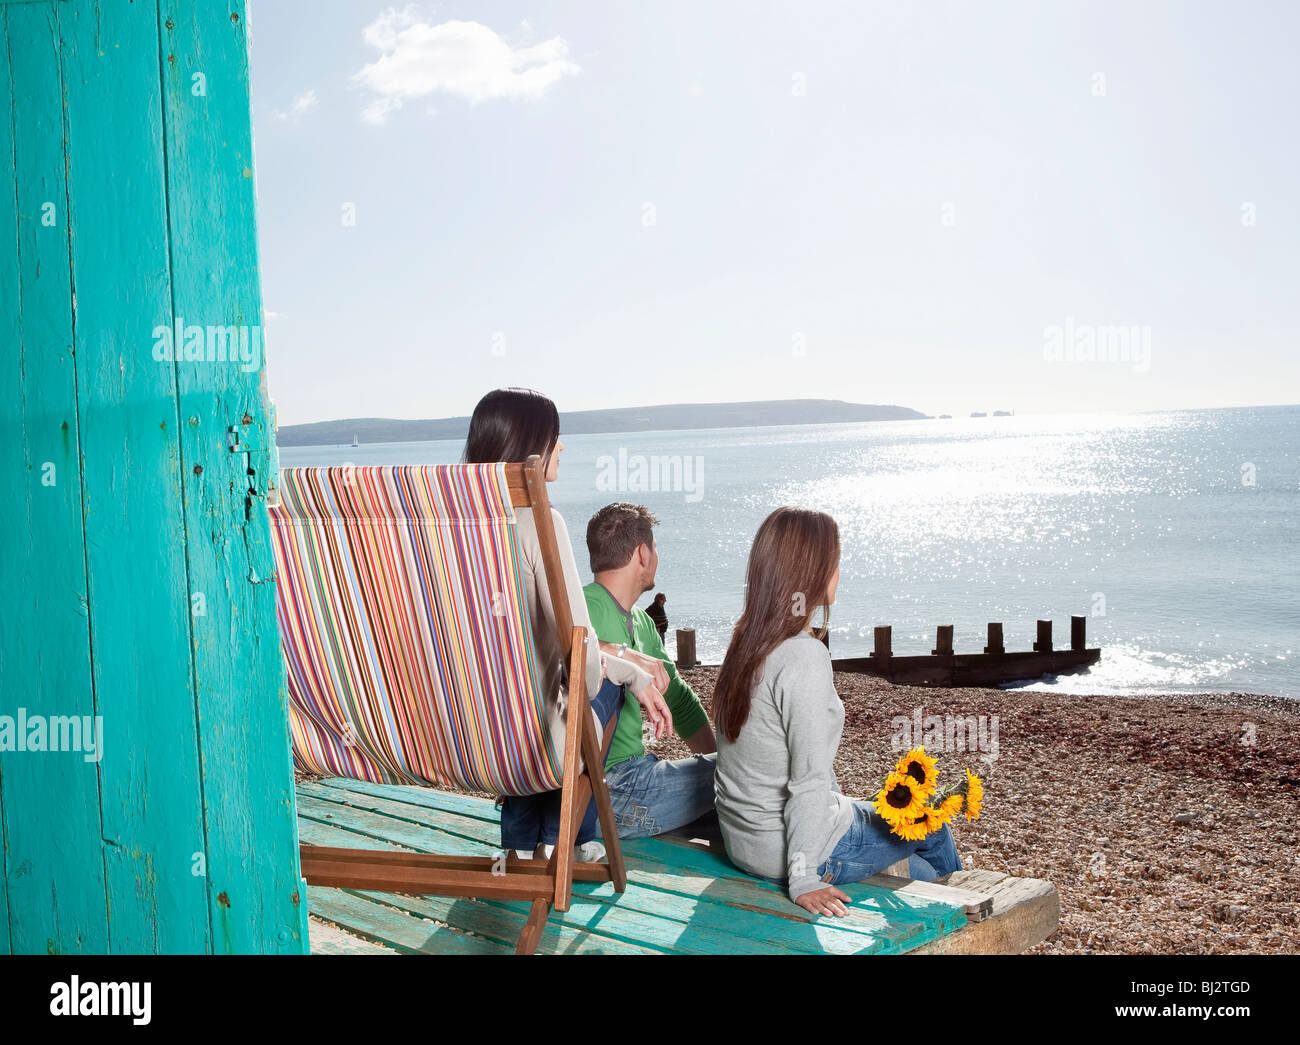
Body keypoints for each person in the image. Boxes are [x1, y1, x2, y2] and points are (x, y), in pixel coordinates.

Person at [712, 507, 962, 917]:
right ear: (812, 573)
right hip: (791, 852)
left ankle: (930, 916)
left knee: (915, 867)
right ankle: (967, 925)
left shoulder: (743, 645)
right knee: (933, 824)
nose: (839, 572)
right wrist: (804, 877)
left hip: (744, 845)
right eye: (835, 561)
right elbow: (808, 783)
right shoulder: (803, 656)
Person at [462, 389, 672, 861]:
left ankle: (518, 848)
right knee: (597, 687)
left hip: (464, 731)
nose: (563, 448)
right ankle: (572, 841)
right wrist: (633, 672)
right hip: (531, 743)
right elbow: (585, 659)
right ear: (533, 446)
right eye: (557, 438)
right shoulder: (539, 521)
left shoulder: (447, 529)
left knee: (525, 697)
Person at [582, 503, 717, 839]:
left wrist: (718, 764)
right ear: (643, 553)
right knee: (759, 776)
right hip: (602, 792)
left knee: (740, 788)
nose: (656, 555)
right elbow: (546, 655)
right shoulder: (580, 608)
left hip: (637, 783)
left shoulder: (641, 622)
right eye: (655, 548)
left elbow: (680, 701)